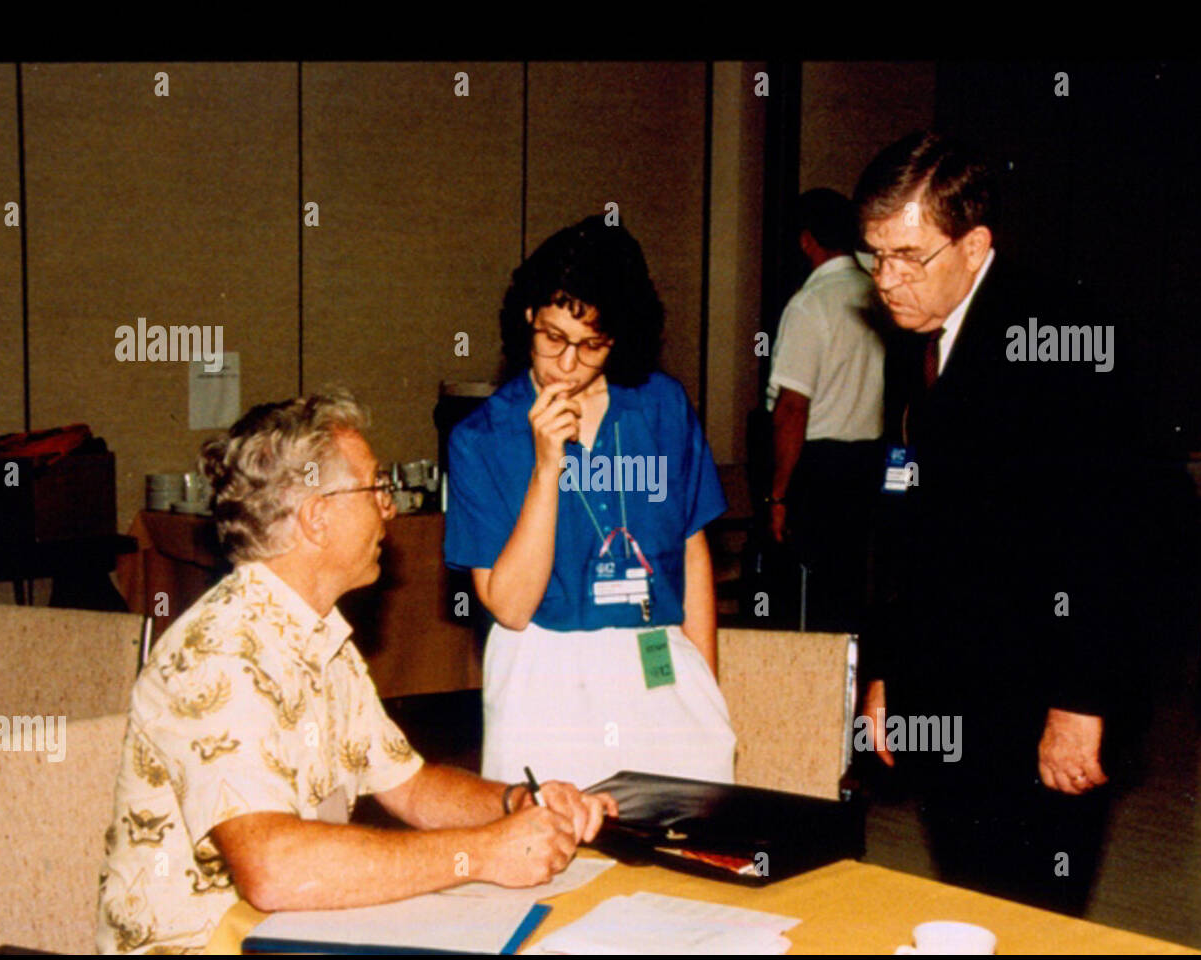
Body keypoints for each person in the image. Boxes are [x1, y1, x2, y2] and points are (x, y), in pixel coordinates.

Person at [97, 392, 615, 954]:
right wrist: (483, 853)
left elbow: (410, 786)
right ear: (317, 518)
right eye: (377, 488)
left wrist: (520, 803)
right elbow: (273, 868)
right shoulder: (216, 656)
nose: (389, 510)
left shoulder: (320, 638)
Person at [854, 132, 1135, 914]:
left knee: (1033, 914)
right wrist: (887, 674)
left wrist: (1080, 704)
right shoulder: (921, 338)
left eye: (910, 255)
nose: (887, 280)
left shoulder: (1057, 336)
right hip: (952, 691)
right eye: (875, 255)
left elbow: (1108, 532)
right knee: (974, 900)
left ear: (975, 244)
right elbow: (909, 526)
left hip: (1041, 698)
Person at [445, 217, 736, 790]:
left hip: (656, 655)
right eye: (553, 337)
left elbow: (690, 550)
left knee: (688, 850)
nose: (569, 363)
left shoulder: (661, 407)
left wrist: (704, 681)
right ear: (528, 316)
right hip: (545, 671)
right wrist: (547, 468)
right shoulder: (481, 437)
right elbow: (510, 606)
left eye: (592, 344)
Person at [766, 189, 887, 632]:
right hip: (866, 463)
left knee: (804, 602)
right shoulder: (876, 292)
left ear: (805, 240)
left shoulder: (809, 304)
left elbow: (793, 408)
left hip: (817, 469)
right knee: (849, 594)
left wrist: (778, 495)